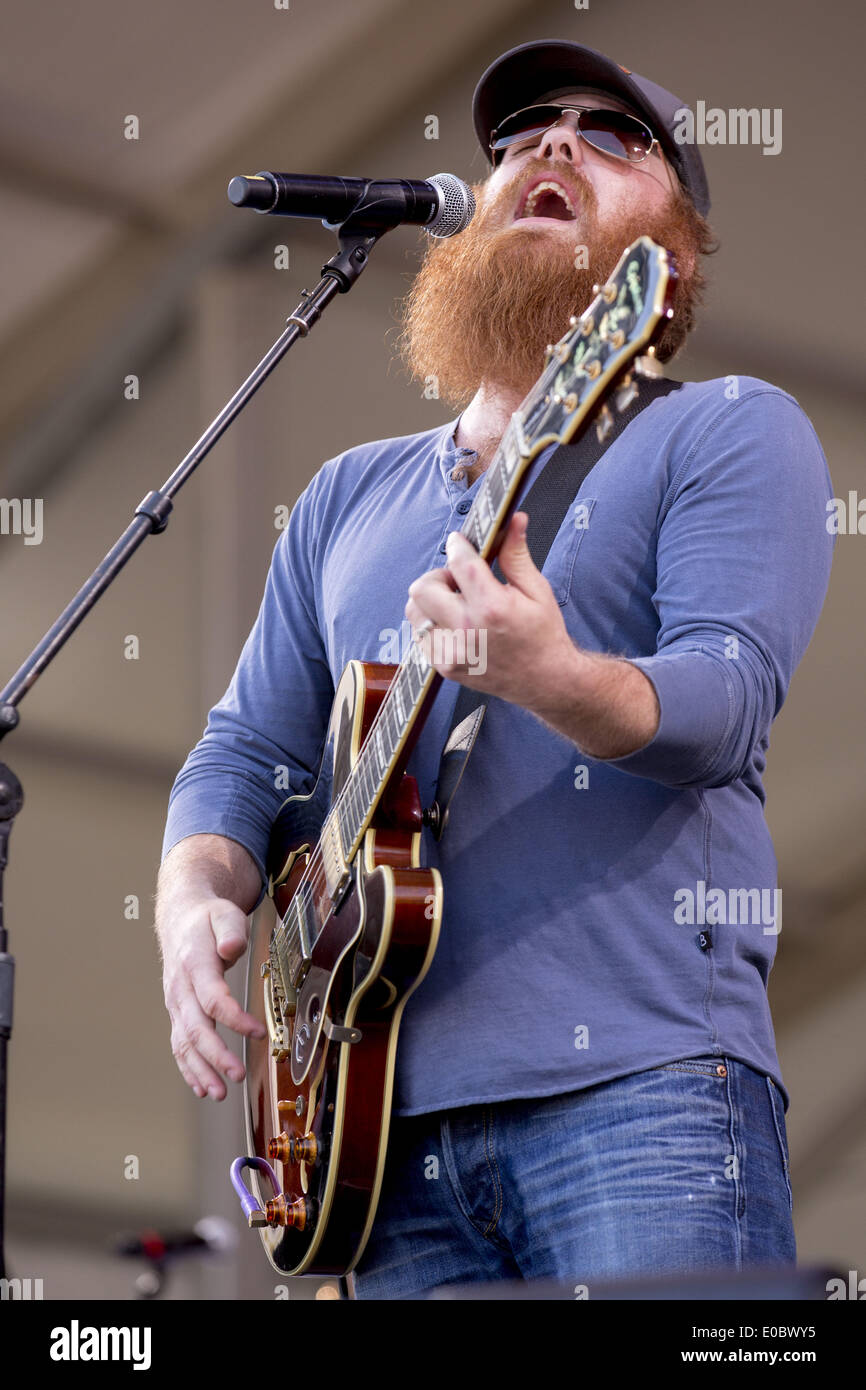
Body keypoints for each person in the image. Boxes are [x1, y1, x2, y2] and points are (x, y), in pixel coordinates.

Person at [154, 41, 834, 1299]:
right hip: (376, 1143)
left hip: (642, 1092)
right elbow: (245, 752)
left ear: (666, 262)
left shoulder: (725, 427)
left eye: (611, 135)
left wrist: (550, 672)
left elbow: (724, 704)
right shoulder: (345, 495)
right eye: (522, 131)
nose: (551, 145)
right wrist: (193, 896)